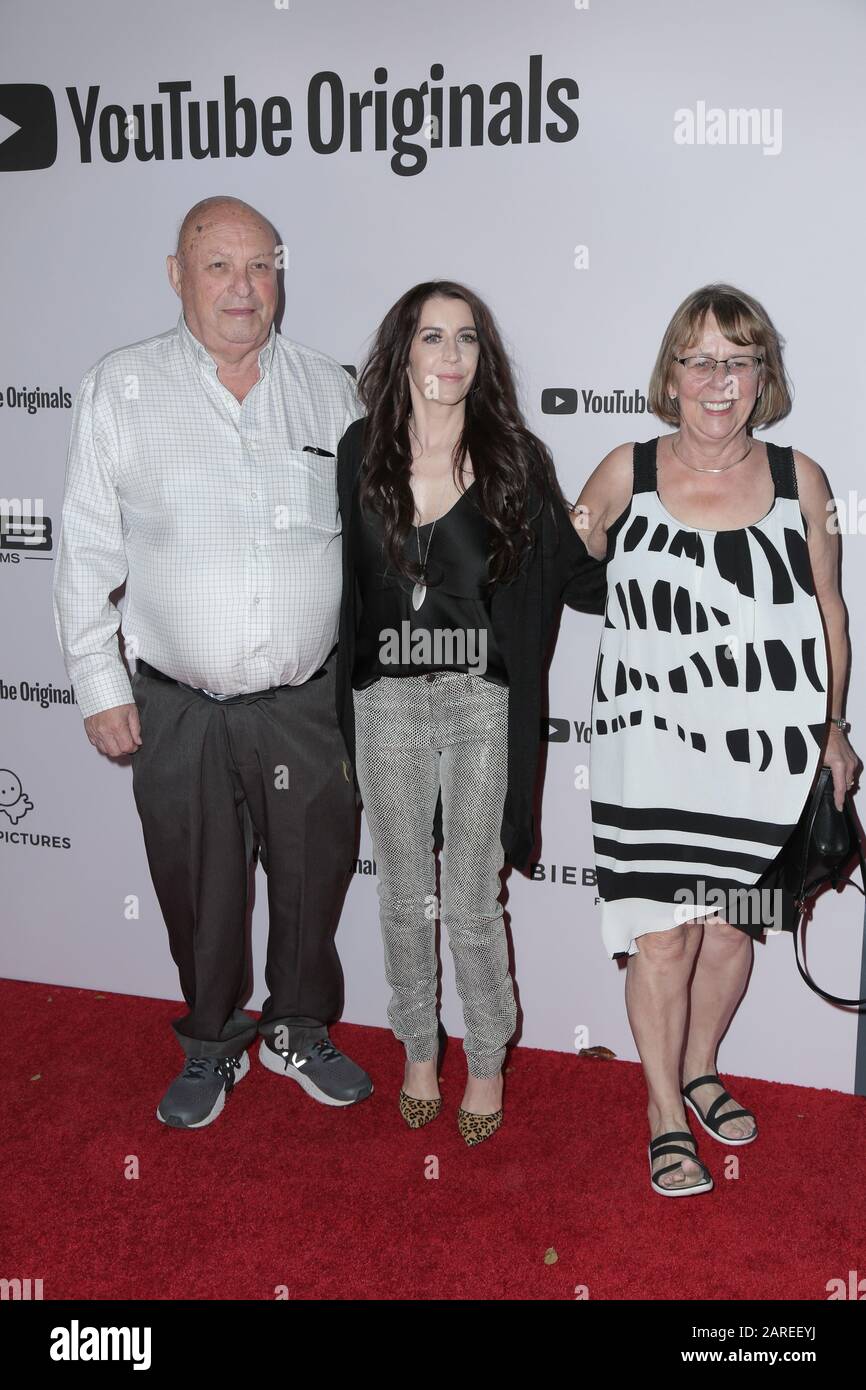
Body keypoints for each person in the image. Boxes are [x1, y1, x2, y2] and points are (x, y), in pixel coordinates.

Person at [53, 195, 371, 1128]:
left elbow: (370, 544)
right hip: (178, 705)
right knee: (197, 882)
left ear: (283, 275)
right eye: (219, 266)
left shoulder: (330, 388)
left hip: (307, 704)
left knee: (315, 876)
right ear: (177, 275)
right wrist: (97, 682)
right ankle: (211, 1040)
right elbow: (85, 546)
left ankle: (298, 1027)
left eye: (262, 265)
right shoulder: (122, 386)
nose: (244, 287)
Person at [577, 283, 860, 1195]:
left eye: (737, 361)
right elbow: (548, 563)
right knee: (662, 938)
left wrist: (834, 730)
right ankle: (664, 1112)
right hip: (649, 748)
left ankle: (699, 1068)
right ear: (671, 373)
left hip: (765, 755)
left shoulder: (801, 479)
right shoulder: (626, 470)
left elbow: (829, 610)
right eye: (698, 359)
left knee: (732, 931)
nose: (717, 380)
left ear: (761, 376)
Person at [334, 281, 607, 1145]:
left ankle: (485, 1057)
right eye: (431, 338)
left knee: (470, 895)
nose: (449, 357)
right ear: (403, 351)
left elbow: (570, 567)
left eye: (466, 341)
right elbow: (345, 586)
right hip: (386, 698)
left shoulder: (514, 458)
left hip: (481, 699)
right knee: (404, 894)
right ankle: (419, 1047)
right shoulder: (358, 451)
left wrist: (636, 501)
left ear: (482, 358)